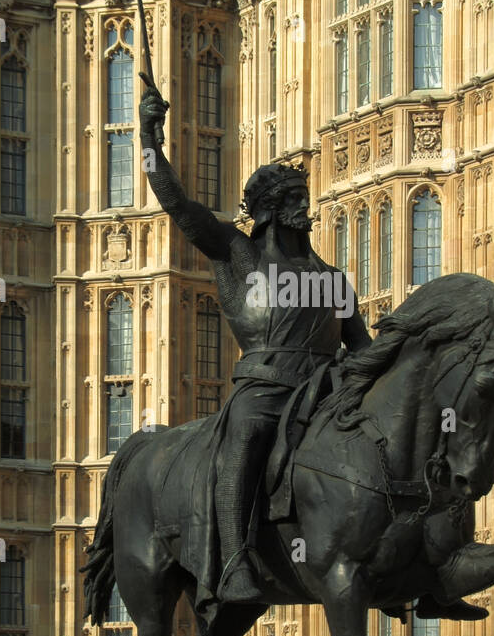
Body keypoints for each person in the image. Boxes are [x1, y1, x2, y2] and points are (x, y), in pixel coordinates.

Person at [139, 82, 371, 603]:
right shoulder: (236, 254)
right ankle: (234, 562)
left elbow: (363, 349)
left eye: (305, 200)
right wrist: (150, 135)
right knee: (242, 442)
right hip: (264, 389)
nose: (303, 209)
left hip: (323, 394)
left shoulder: (332, 278)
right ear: (267, 208)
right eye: (292, 200)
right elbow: (178, 204)